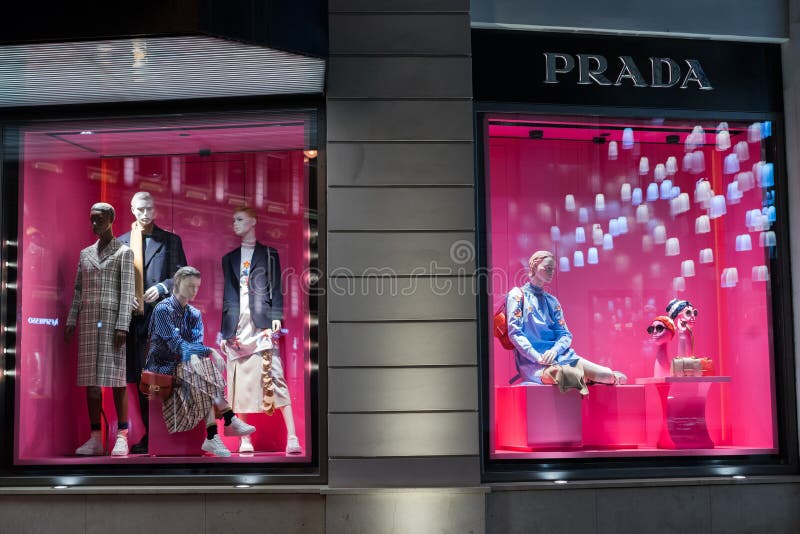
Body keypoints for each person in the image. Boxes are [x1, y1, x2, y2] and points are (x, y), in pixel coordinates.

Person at [144, 266, 255, 457]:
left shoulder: (194, 314)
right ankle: (228, 420)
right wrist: (210, 350)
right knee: (200, 370)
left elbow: (195, 344)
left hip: (185, 367)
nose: (194, 291)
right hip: (162, 367)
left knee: (199, 373)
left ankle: (214, 435)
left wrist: (200, 353)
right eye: (190, 286)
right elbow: (176, 345)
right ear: (177, 284)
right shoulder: (163, 310)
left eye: (197, 287)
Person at [219, 207, 301, 455]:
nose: (235, 223)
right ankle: (246, 439)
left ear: (253, 221)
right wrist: (225, 329)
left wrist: (277, 315)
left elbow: (276, 287)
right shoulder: (229, 258)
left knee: (274, 376)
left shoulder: (269, 254)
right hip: (237, 324)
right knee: (240, 379)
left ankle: (293, 436)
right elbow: (228, 295)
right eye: (233, 219)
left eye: (240, 219)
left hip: (261, 323)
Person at [118, 191, 187, 454]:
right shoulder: (122, 243)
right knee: (138, 380)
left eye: (149, 209)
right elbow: (115, 281)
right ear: (132, 209)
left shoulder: (170, 241)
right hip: (133, 322)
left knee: (164, 379)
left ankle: (167, 434)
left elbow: (183, 276)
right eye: (140, 209)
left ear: (155, 209)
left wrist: (161, 287)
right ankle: (150, 435)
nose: (145, 214)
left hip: (161, 320)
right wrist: (127, 298)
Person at [65, 203, 135, 457]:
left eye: (100, 219)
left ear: (111, 219)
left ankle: (122, 435)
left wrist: (122, 325)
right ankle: (95, 437)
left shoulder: (123, 253)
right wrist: (71, 320)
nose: (95, 224)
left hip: (112, 322)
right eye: (92, 219)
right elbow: (78, 290)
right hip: (89, 321)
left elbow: (127, 291)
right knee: (91, 383)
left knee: (117, 380)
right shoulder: (86, 254)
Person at [506, 250, 627, 387]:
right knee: (563, 375)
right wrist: (537, 356)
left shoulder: (552, 301)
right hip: (533, 363)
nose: (551, 272)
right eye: (547, 268)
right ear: (534, 267)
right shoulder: (516, 295)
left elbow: (564, 334)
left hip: (562, 356)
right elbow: (515, 333)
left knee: (606, 375)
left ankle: (600, 377)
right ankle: (586, 377)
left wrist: (555, 350)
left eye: (553, 269)